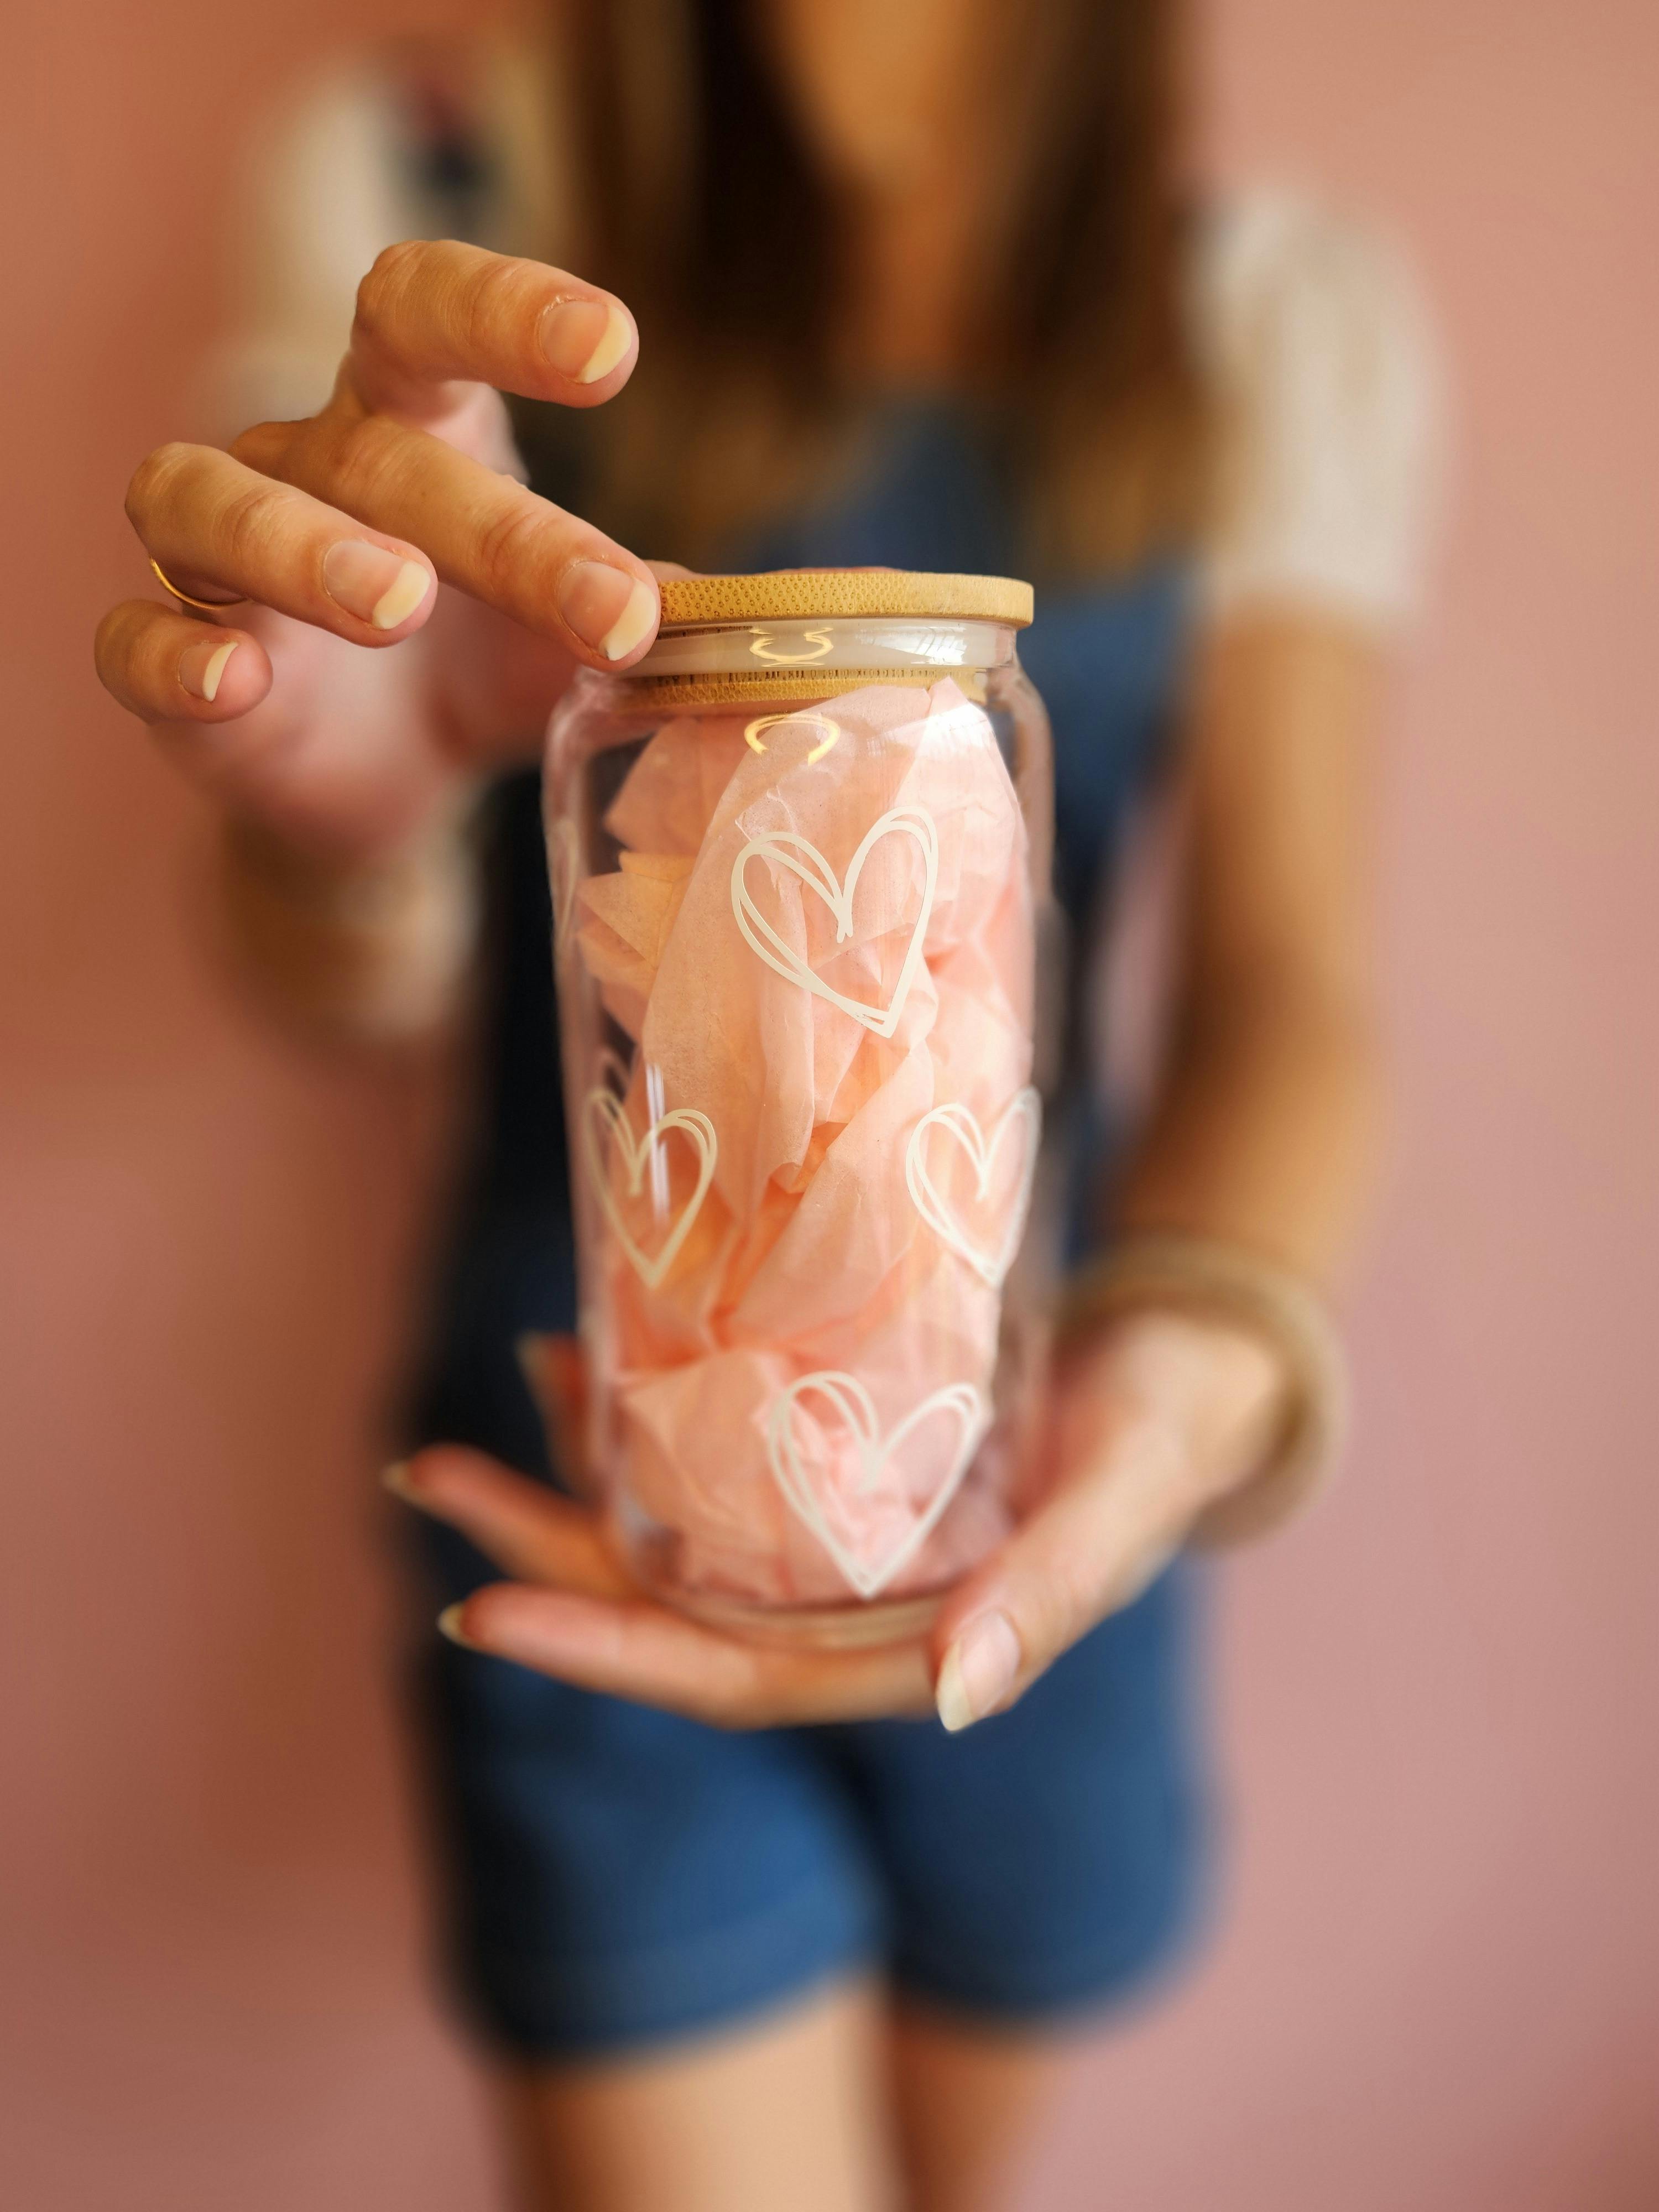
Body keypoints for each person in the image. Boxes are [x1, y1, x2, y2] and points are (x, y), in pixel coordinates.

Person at [92, 5, 1437, 2206]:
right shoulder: (414, 189)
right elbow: (354, 979)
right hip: (599, 1446)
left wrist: (1195, 1364)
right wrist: (339, 820)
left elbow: (1286, 980)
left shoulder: (1270, 307)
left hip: (1054, 1453)